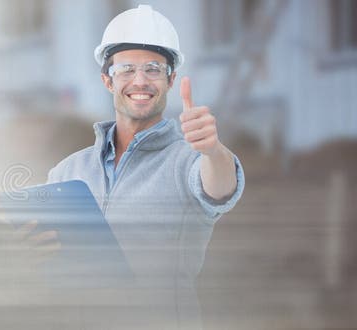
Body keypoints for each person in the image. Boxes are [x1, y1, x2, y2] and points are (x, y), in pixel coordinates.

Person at [45, 4, 245, 329]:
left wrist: (213, 150)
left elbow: (220, 188)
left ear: (170, 79)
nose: (140, 81)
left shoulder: (188, 162)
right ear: (108, 80)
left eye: (153, 68)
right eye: (126, 69)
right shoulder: (66, 172)